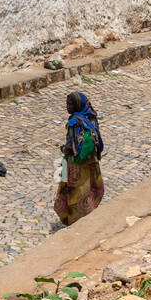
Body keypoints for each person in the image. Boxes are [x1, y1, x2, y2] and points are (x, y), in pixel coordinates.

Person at [54, 91, 105, 226]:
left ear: (77, 105)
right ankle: (88, 213)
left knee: (75, 192)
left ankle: (75, 219)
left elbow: (71, 146)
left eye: (70, 104)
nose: (68, 107)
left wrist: (64, 149)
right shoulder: (91, 118)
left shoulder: (74, 122)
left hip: (76, 165)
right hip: (91, 162)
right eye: (67, 104)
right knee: (89, 188)